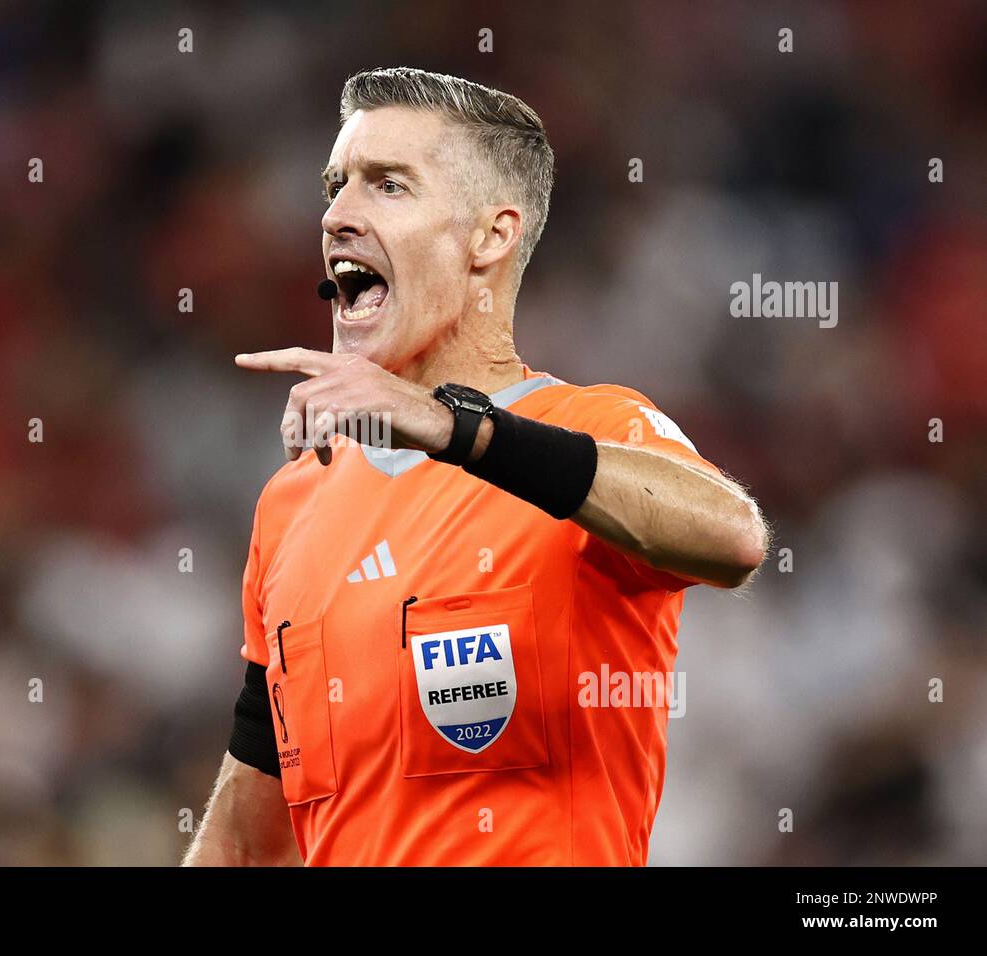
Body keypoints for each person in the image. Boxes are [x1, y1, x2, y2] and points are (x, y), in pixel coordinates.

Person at [184, 67, 768, 866]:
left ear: (490, 237)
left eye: (388, 186)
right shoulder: (295, 500)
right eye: (336, 185)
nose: (336, 215)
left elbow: (733, 538)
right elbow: (241, 847)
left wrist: (452, 425)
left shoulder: (591, 429)